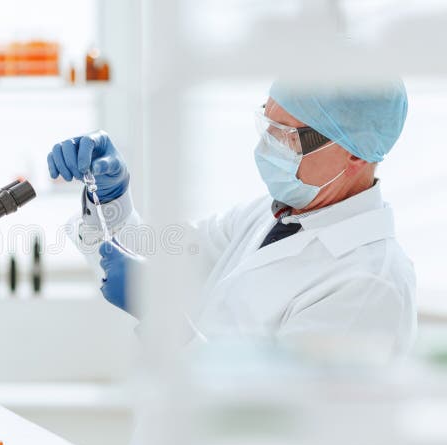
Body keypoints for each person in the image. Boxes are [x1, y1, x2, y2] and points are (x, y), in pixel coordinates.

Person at [48, 79, 415, 358]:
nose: (266, 145)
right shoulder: (271, 215)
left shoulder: (371, 284)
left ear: (355, 154)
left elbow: (275, 425)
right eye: (268, 124)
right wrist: (111, 199)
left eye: (288, 136)